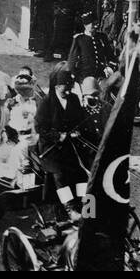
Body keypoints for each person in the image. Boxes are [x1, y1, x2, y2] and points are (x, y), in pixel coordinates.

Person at [33, 69, 93, 208]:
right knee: (60, 175)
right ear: (57, 87)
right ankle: (70, 208)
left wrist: (77, 131)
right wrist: (58, 136)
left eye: (70, 89)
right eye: (65, 90)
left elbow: (79, 119)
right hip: (50, 148)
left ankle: (87, 208)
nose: (68, 93)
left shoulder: (73, 99)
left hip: (69, 145)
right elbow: (40, 128)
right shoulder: (46, 103)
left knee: (81, 173)